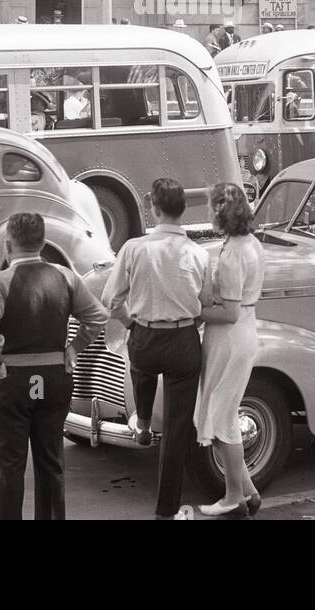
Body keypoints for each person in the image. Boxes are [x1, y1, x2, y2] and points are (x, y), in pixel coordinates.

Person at [0, 211, 108, 520]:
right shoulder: (65, 276)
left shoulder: (0, 282)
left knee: (10, 467)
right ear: (43, 243)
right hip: (55, 377)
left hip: (12, 380)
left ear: (8, 244)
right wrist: (73, 349)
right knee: (51, 463)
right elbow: (97, 316)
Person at [103, 178, 210, 520]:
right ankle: (166, 510)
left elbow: (110, 300)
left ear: (155, 209)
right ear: (181, 211)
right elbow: (205, 304)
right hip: (183, 341)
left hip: (145, 337)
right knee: (178, 429)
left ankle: (144, 421)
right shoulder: (198, 253)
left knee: (141, 367)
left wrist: (132, 322)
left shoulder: (134, 248)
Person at [195, 182, 265, 519]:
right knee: (221, 415)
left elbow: (229, 311)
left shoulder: (234, 252)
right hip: (240, 333)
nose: (207, 212)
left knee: (223, 419)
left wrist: (195, 313)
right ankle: (248, 494)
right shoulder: (248, 243)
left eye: (210, 206)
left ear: (219, 211)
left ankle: (234, 496)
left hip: (231, 336)